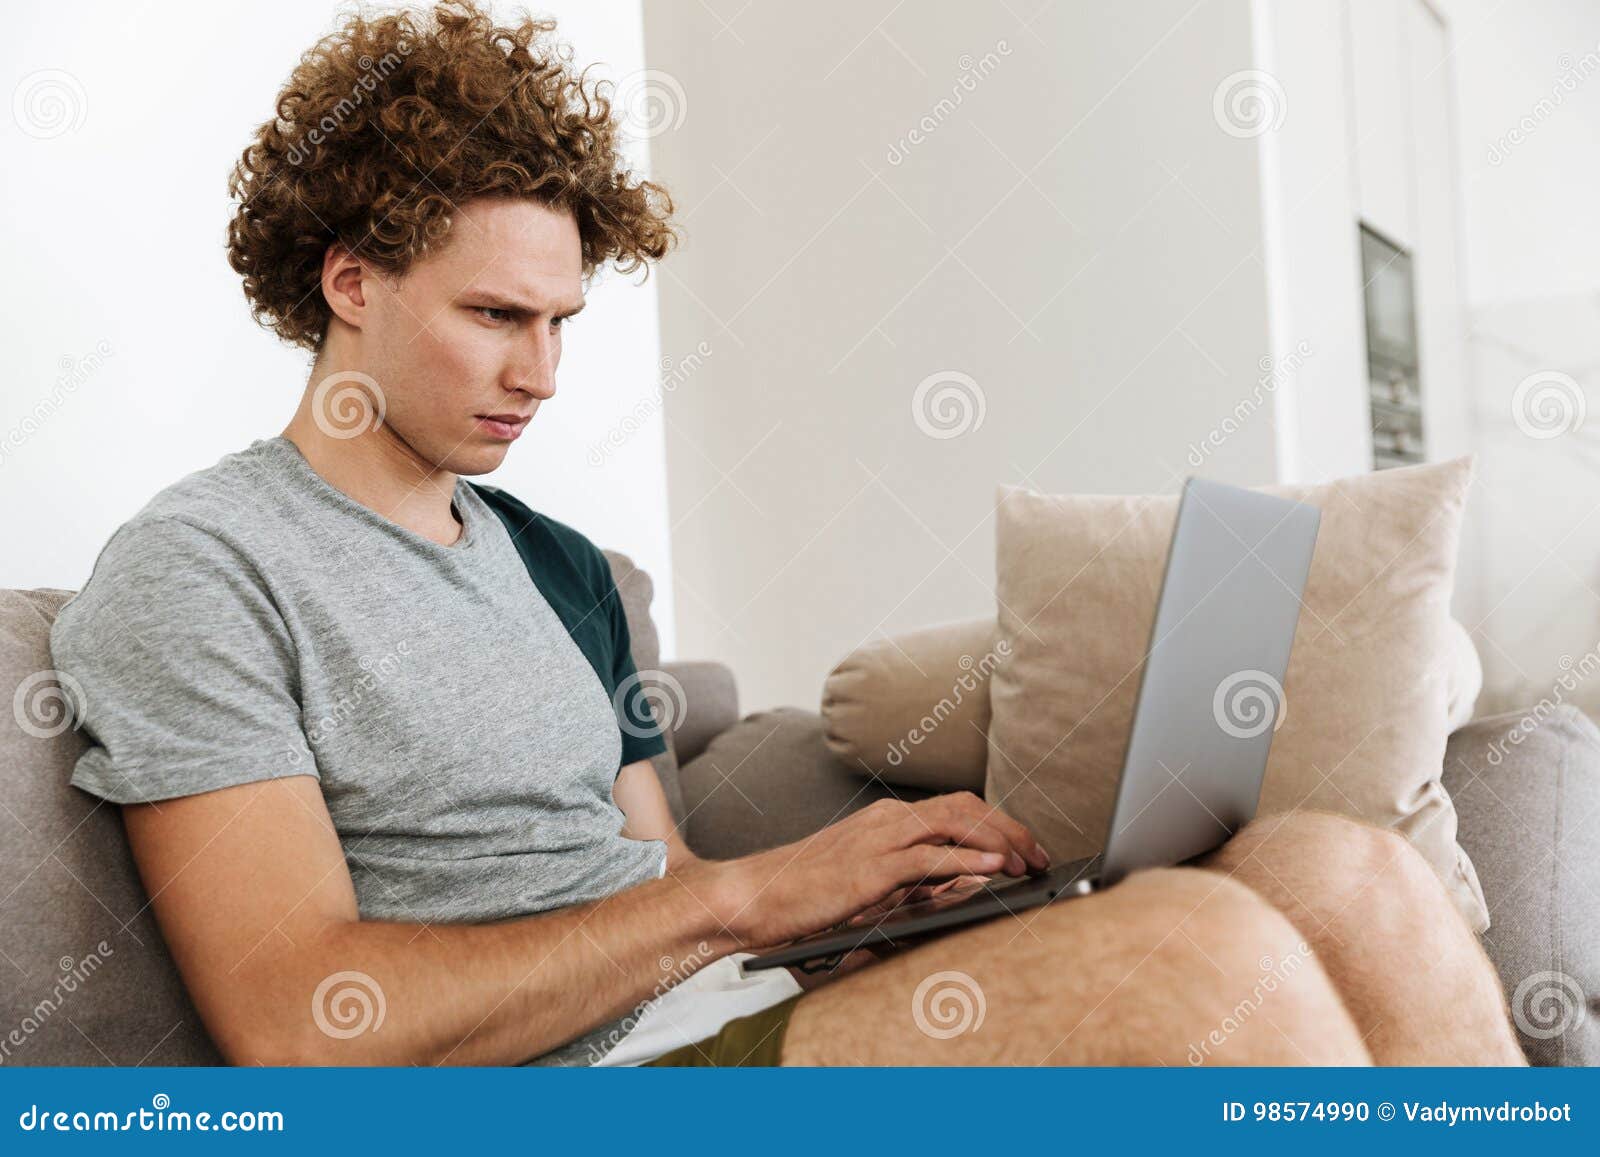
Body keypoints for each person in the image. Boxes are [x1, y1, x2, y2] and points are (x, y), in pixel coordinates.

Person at [48, 0, 1524, 1067]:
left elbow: (655, 889)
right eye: (495, 315)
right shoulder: (202, 572)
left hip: (724, 1009)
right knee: (1205, 958)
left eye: (561, 321)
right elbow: (307, 1030)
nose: (542, 375)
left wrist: (839, 912)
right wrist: (757, 895)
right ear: (349, 280)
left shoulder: (558, 566)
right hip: (571, 1085)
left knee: (1343, 874)